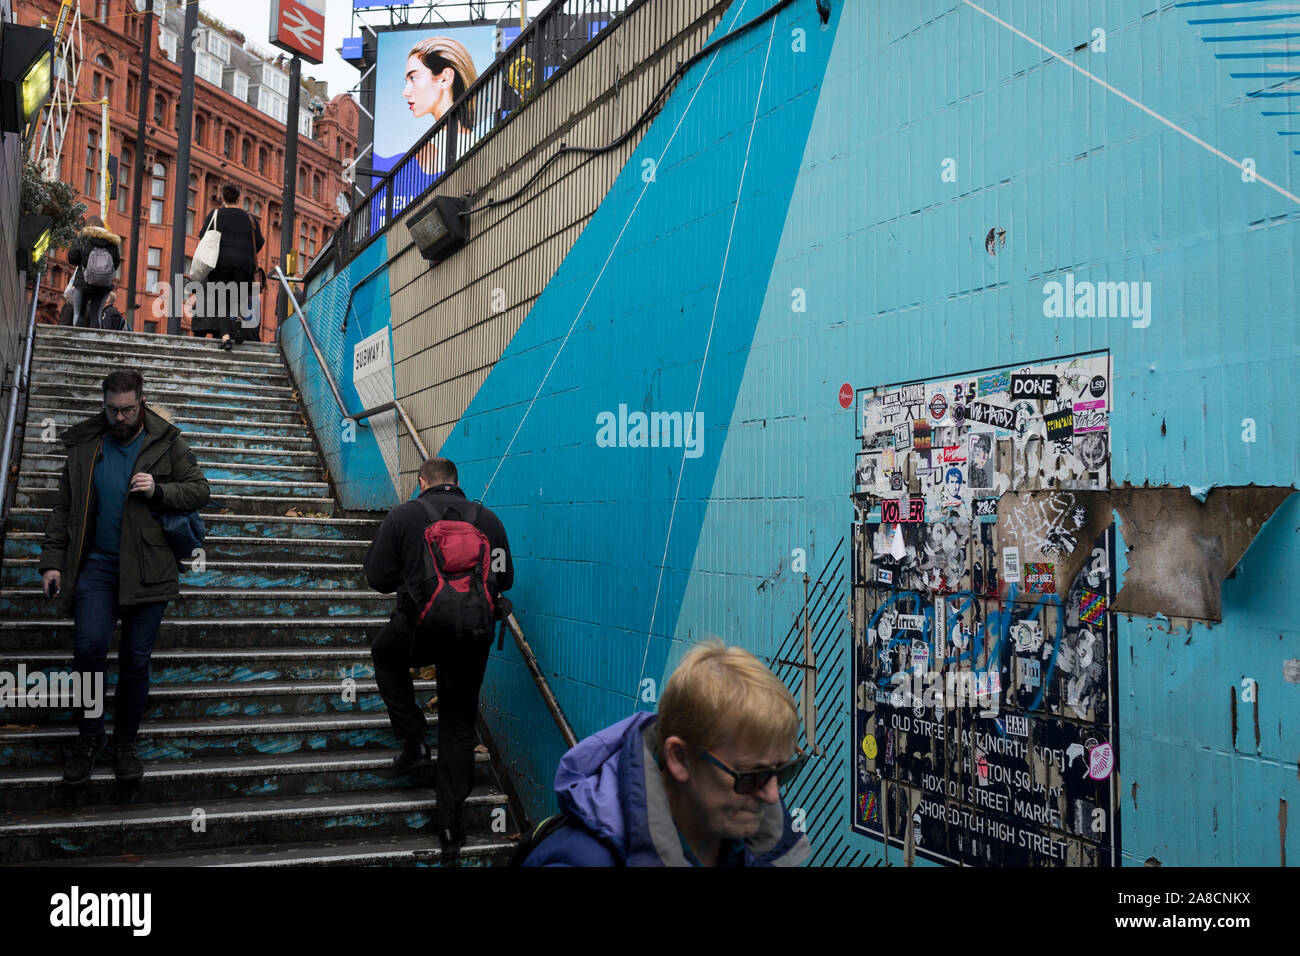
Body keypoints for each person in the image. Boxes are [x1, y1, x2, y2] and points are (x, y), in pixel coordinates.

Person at [38, 370, 210, 786]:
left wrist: (160, 490)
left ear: (142, 402)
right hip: (96, 567)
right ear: (104, 405)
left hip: (149, 567)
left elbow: (200, 489)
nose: (120, 417)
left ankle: (125, 743)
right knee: (88, 652)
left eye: (128, 409)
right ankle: (89, 738)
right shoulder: (85, 446)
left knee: (135, 662)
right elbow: (65, 508)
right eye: (113, 410)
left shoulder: (167, 442)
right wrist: (52, 562)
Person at [520, 640, 812, 867]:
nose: (773, 796)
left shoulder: (753, 842)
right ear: (679, 758)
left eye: (783, 771)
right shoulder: (580, 859)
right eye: (751, 777)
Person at [363, 456, 512, 848]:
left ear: (421, 482)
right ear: (458, 482)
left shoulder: (403, 516)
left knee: (384, 654)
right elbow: (506, 578)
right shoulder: (489, 520)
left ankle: (413, 737)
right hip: (473, 634)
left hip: (420, 630)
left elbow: (377, 578)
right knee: (459, 724)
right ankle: (450, 826)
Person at [193, 183, 263, 351]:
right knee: (239, 299)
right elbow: (259, 241)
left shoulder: (215, 214)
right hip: (244, 265)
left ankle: (225, 338)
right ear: (239, 198)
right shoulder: (250, 218)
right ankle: (238, 319)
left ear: (223, 198)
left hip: (221, 264)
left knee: (221, 301)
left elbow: (203, 236)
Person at [404, 37, 478, 175]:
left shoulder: (429, 151)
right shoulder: (475, 140)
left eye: (413, 78)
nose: (405, 92)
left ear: (445, 78)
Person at [66, 216, 122, 329]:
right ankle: (93, 342)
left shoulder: (83, 238)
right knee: (96, 315)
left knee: (79, 313)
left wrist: (84, 264)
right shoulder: (112, 242)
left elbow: (72, 258)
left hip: (83, 283)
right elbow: (116, 263)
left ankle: (78, 342)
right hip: (103, 285)